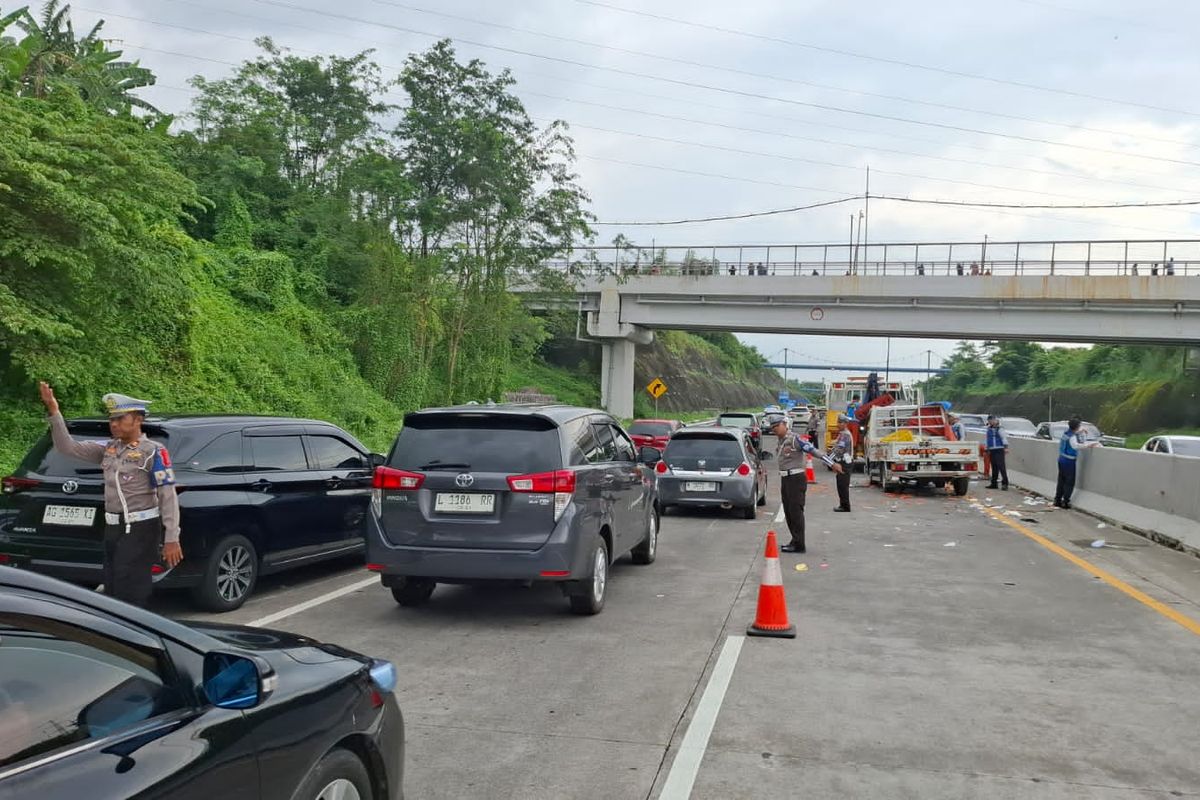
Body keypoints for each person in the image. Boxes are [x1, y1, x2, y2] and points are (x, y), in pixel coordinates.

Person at [38, 383, 182, 608]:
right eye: (111, 419)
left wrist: (172, 537)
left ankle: (134, 635)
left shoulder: (153, 451)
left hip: (140, 529)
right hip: (113, 528)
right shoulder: (109, 449)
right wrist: (54, 411)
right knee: (112, 584)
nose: (113, 424)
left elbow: (167, 494)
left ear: (137, 420)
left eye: (120, 418)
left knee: (131, 588)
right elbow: (67, 448)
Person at [766, 413, 843, 554]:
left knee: (796, 512)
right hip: (785, 479)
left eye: (777, 426)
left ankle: (800, 544)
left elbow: (814, 451)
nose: (775, 429)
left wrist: (832, 464)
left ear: (785, 424)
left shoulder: (795, 439)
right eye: (772, 427)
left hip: (795, 478)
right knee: (789, 512)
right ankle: (795, 540)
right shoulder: (780, 440)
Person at [1054, 417, 1095, 509]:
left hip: (1061, 459)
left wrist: (1080, 432)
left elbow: (1072, 436)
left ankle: (1057, 500)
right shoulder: (1072, 437)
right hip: (1069, 461)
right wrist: (1088, 445)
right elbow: (1075, 446)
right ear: (1077, 426)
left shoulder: (1066, 434)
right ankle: (1065, 501)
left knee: (1061, 481)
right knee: (1069, 482)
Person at [831, 414, 854, 512]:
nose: (838, 424)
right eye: (838, 422)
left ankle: (845, 506)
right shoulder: (843, 433)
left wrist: (829, 458)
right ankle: (843, 504)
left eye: (840, 423)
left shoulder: (845, 435)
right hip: (843, 462)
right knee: (840, 484)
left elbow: (839, 450)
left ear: (845, 424)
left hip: (845, 462)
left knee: (842, 485)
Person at [985, 415, 1009, 490]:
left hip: (999, 449)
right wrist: (987, 448)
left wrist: (1006, 447)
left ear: (995, 420)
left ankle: (1005, 484)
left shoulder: (1000, 428)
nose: (990, 422)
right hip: (992, 450)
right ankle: (994, 483)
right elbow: (987, 439)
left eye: (991, 420)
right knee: (994, 467)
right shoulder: (989, 429)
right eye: (989, 421)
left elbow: (1004, 438)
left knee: (1001, 467)